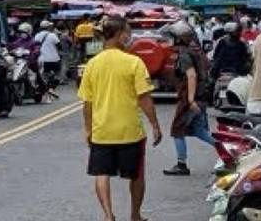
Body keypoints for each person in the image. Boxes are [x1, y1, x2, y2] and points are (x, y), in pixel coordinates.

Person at [79, 16, 162, 221]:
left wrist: (88, 129)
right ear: (117, 34)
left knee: (101, 173)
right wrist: (155, 125)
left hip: (102, 131)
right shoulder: (134, 62)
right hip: (130, 132)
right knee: (137, 175)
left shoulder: (92, 64)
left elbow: (87, 103)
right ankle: (135, 215)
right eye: (127, 32)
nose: (129, 36)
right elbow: (144, 98)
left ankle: (108, 216)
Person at [163, 21, 220, 176]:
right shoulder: (197, 51)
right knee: (198, 130)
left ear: (180, 38)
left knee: (177, 130)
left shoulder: (185, 55)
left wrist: (190, 99)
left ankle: (181, 164)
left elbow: (191, 75)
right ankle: (228, 152)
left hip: (191, 98)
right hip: (200, 96)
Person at [34, 20, 62, 101]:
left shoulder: (37, 36)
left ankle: (46, 89)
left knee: (44, 76)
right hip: (54, 59)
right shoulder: (52, 35)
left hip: (42, 59)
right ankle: (51, 88)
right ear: (48, 27)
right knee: (57, 75)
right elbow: (59, 45)